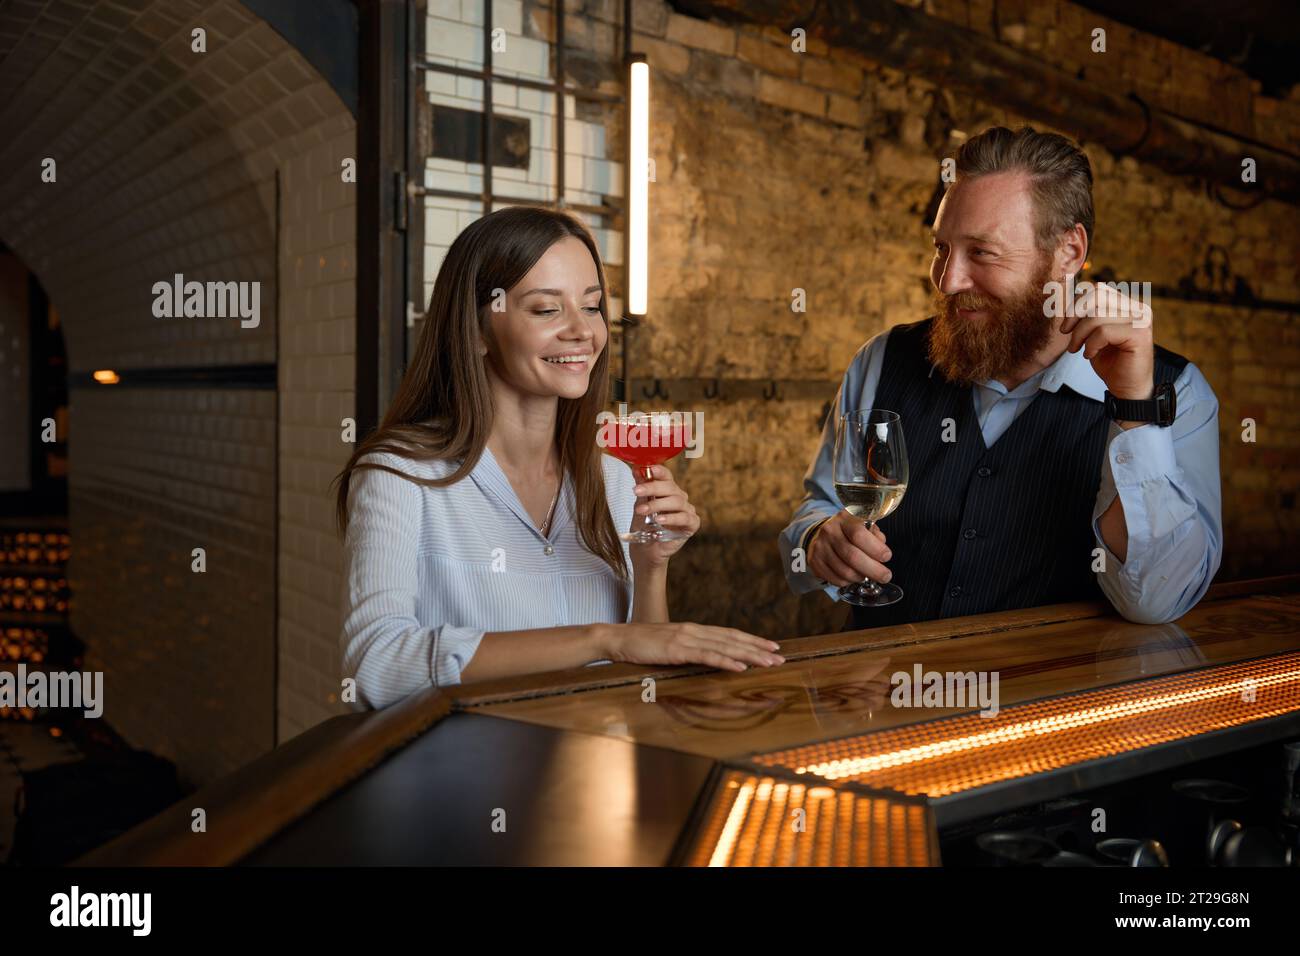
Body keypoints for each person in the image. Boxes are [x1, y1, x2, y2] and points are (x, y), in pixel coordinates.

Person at [335, 206, 782, 709]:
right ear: (478, 330)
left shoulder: (615, 479)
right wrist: (599, 639)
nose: (582, 332)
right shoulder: (398, 473)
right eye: (547, 309)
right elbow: (373, 664)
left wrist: (650, 567)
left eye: (591, 307)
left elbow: (642, 679)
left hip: (591, 772)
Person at [779, 126, 1222, 631]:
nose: (947, 280)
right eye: (942, 248)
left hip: (1056, 702)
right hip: (887, 699)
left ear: (1069, 252)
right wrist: (817, 539)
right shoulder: (882, 359)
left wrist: (1134, 408)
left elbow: (1157, 601)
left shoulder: (1176, 392)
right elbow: (816, 509)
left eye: (981, 253)